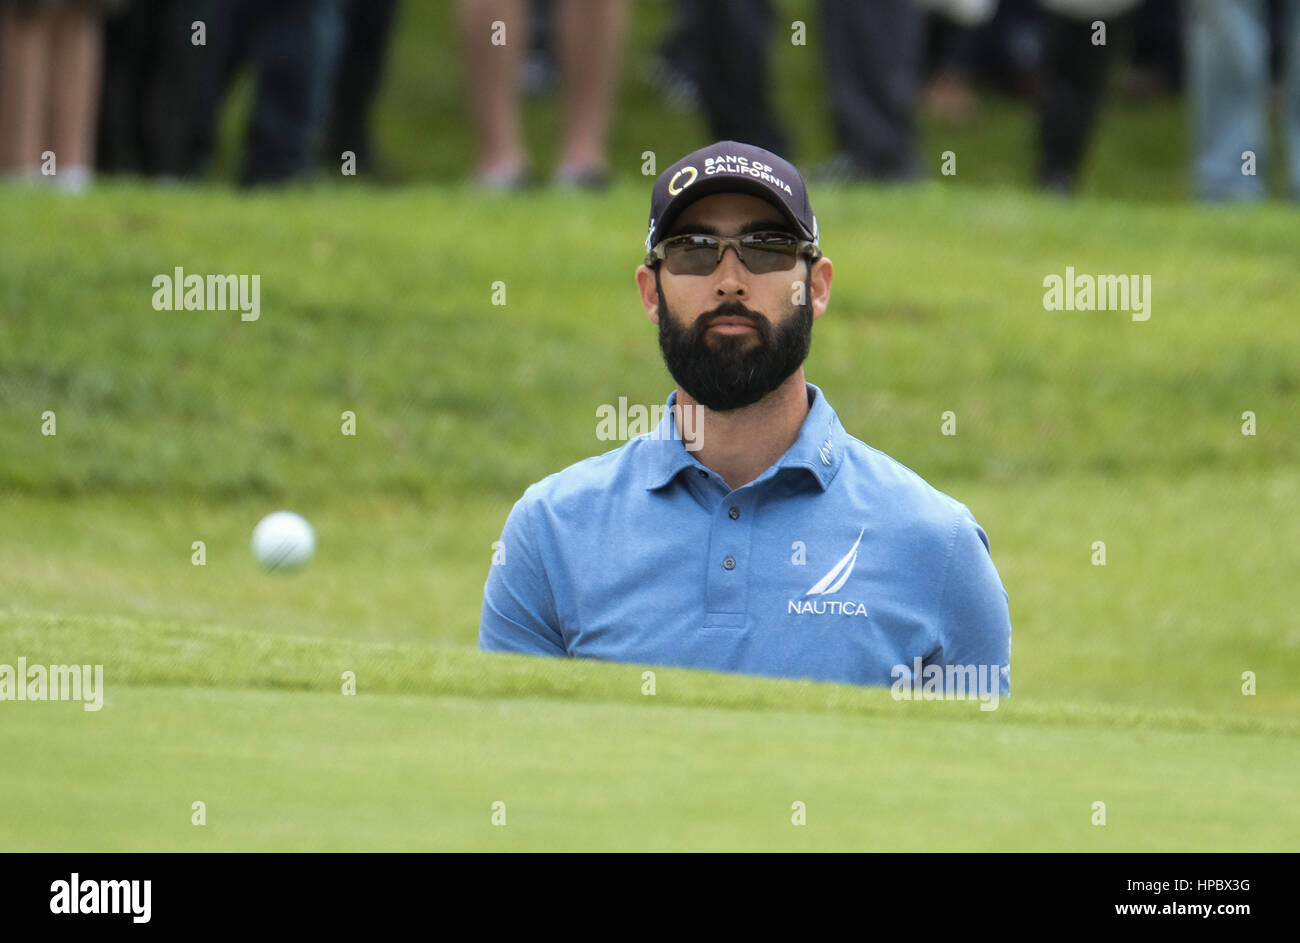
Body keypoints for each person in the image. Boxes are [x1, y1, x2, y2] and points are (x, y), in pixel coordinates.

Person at [479, 141, 1012, 692]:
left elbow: (977, 774)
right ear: (651, 293)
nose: (730, 279)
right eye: (692, 250)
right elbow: (509, 764)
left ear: (818, 287)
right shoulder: (550, 533)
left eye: (766, 248)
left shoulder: (938, 545)